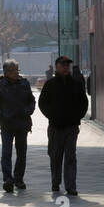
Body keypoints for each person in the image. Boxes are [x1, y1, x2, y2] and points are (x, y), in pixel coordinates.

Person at [39, 55, 88, 196]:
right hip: (55, 127)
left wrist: (77, 117)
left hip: (71, 127)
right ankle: (55, 182)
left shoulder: (76, 84)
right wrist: (52, 115)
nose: (66, 67)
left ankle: (71, 186)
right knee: (55, 156)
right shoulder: (50, 84)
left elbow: (83, 103)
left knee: (70, 157)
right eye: (63, 65)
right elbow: (42, 103)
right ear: (57, 67)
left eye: (67, 65)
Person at [0, 59, 36, 192]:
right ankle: (8, 179)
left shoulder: (24, 84)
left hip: (22, 124)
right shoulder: (0, 86)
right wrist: (2, 115)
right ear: (6, 72)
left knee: (22, 153)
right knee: (6, 152)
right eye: (13, 70)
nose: (16, 72)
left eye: (17, 69)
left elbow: (31, 101)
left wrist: (28, 111)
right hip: (7, 125)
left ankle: (19, 178)